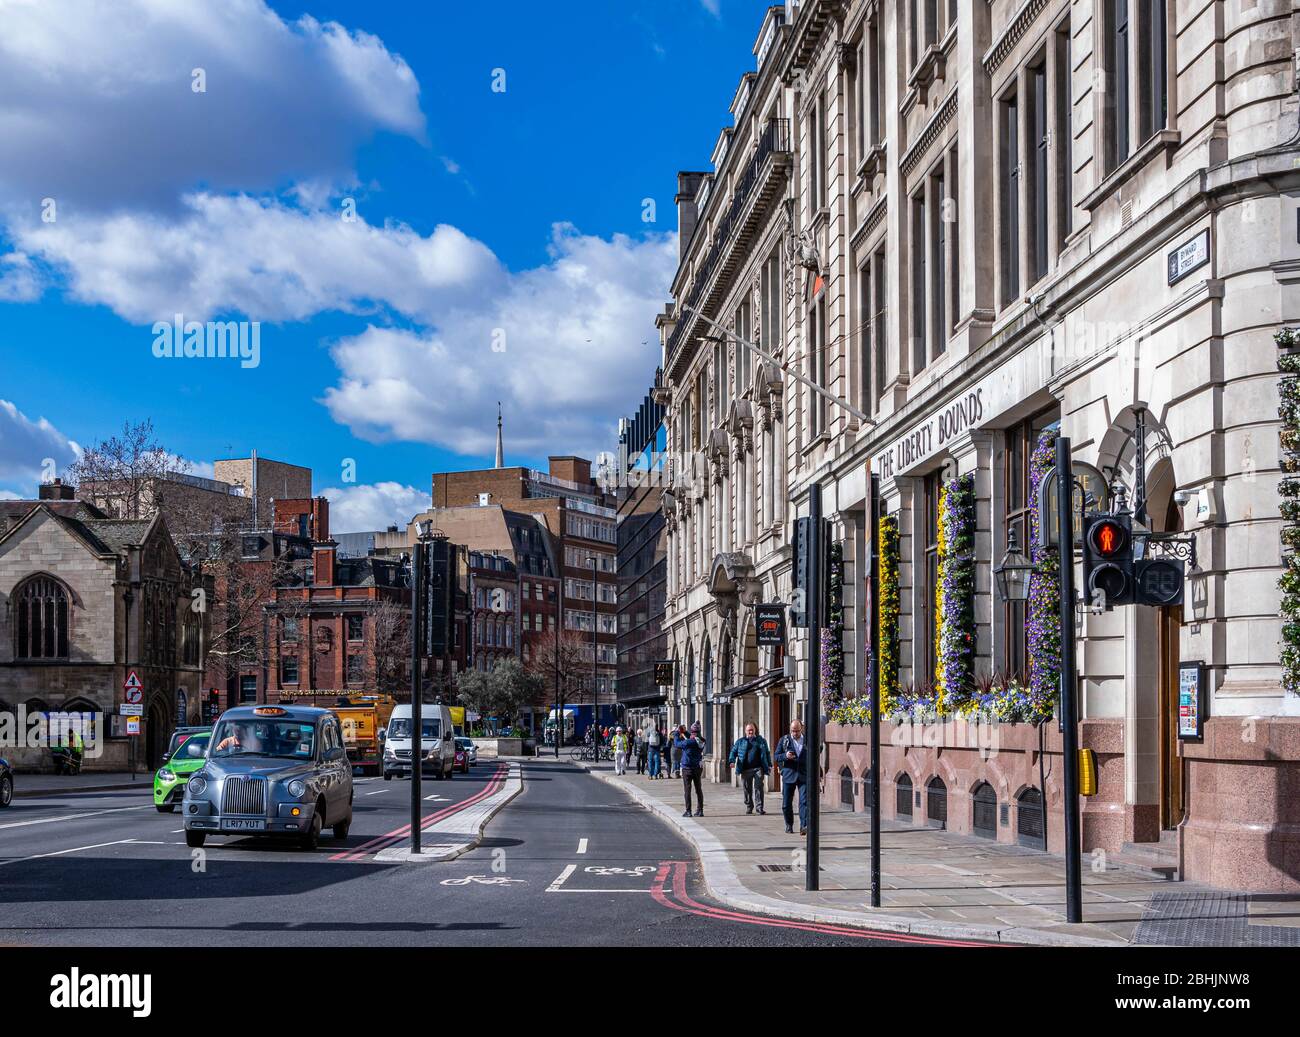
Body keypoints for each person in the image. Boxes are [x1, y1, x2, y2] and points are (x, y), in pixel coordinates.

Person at [727, 722, 772, 816]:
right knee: (747, 789)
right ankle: (749, 806)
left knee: (759, 787)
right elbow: (733, 752)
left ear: (755, 730)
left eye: (752, 729)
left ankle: (759, 808)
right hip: (745, 769)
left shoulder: (761, 740)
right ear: (745, 731)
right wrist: (732, 761)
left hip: (758, 768)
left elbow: (767, 753)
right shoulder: (740, 741)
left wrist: (769, 764)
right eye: (748, 730)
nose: (750, 731)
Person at [773, 719, 809, 835]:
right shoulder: (784, 740)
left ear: (801, 729)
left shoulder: (807, 740)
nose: (795, 734)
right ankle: (789, 824)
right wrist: (785, 756)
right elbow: (776, 756)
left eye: (797, 731)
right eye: (793, 731)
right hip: (789, 774)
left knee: (804, 801)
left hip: (803, 774)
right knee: (786, 803)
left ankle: (804, 825)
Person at [675, 722, 706, 817]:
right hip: (697, 768)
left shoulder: (688, 742)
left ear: (692, 731)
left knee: (687, 790)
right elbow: (693, 737)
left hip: (687, 768)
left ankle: (688, 811)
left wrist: (677, 733)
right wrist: (685, 732)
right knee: (698, 789)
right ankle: (700, 810)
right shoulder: (702, 740)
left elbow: (677, 744)